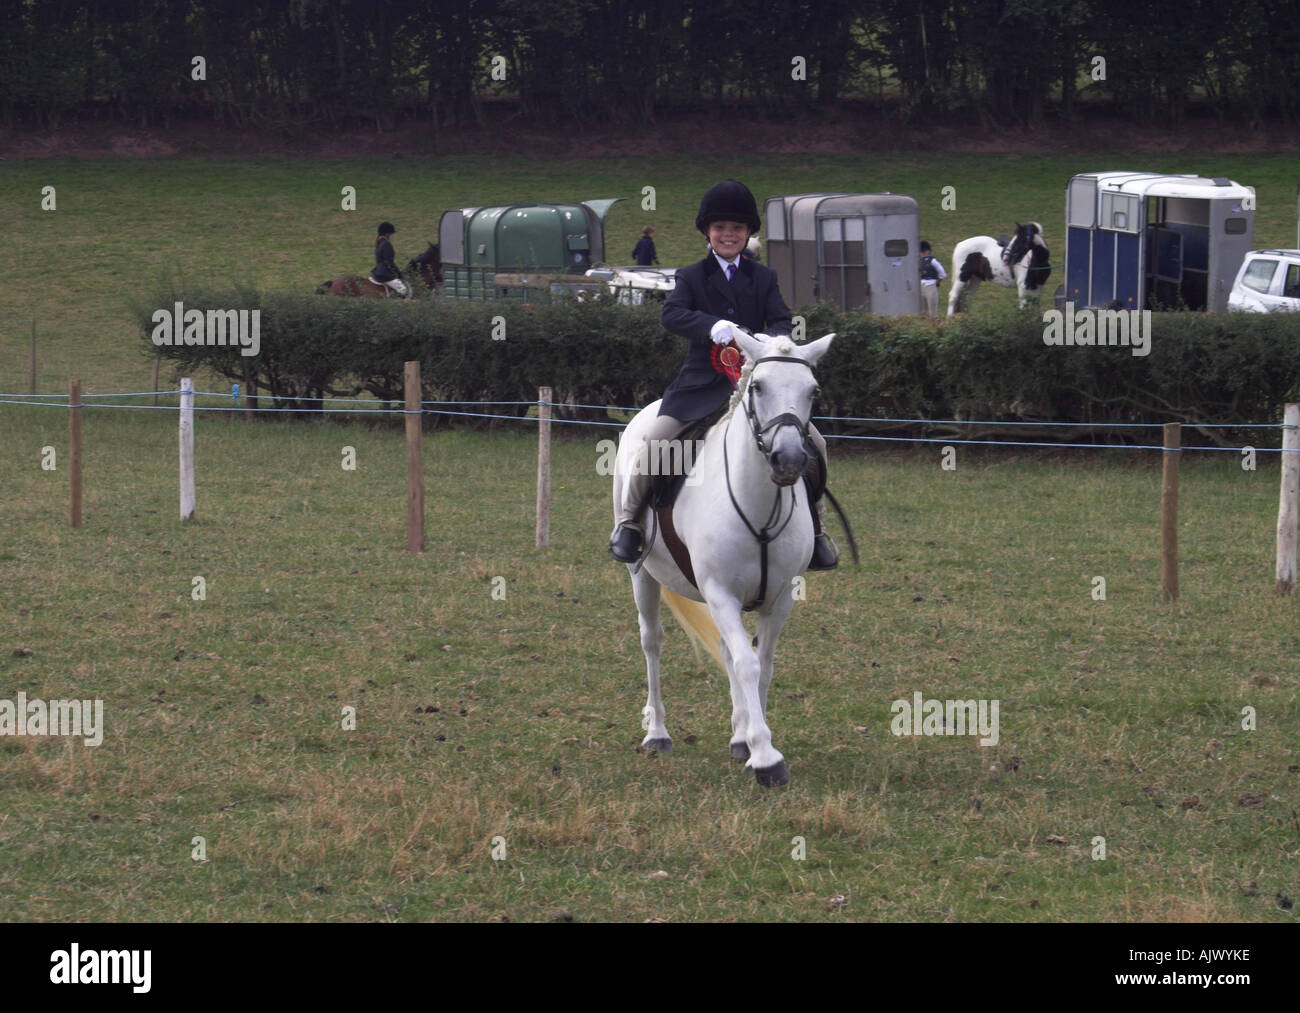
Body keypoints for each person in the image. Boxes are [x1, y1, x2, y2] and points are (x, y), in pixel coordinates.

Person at [609, 178, 838, 570]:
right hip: (700, 386)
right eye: (720, 229)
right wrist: (710, 326)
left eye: (736, 229)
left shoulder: (763, 277)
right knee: (658, 442)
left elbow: (782, 320)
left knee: (815, 443)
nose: (728, 235)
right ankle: (629, 522)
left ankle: (815, 528)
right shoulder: (692, 275)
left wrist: (773, 339)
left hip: (755, 385)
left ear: (747, 232)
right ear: (708, 232)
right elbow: (672, 314)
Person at [370, 222, 409, 298]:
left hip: (378, 272)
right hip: (385, 274)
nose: (392, 236)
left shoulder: (378, 243)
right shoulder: (386, 244)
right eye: (391, 234)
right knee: (404, 290)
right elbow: (389, 262)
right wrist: (399, 273)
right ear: (387, 234)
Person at [919, 240, 947, 316]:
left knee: (932, 313)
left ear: (926, 251)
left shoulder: (932, 260)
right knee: (922, 313)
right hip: (922, 286)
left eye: (921, 252)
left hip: (929, 286)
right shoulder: (919, 260)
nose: (920, 254)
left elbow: (943, 273)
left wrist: (938, 281)